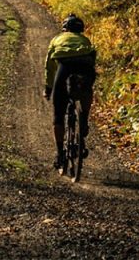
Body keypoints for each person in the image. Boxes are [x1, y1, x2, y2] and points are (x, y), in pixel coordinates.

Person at [44, 14, 97, 170]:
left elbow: (49, 66)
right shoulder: (85, 40)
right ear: (80, 29)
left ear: (64, 28)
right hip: (85, 65)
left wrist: (48, 88)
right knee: (87, 90)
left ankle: (60, 154)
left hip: (65, 66)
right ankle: (84, 119)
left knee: (58, 114)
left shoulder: (57, 39)